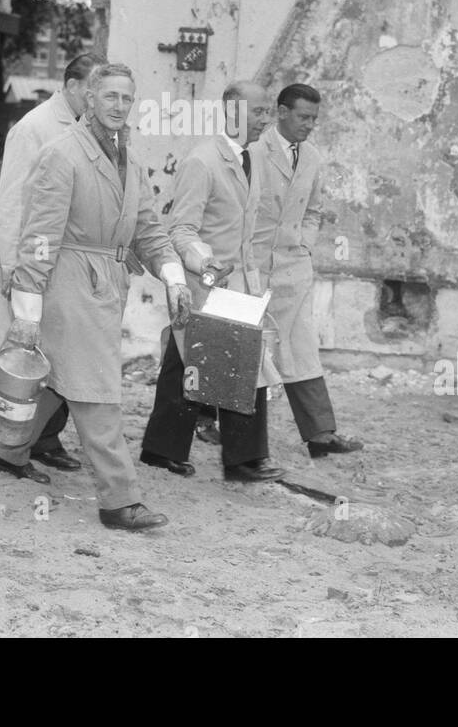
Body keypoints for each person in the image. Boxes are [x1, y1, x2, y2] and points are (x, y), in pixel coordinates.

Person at [0, 62, 192, 532]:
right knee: (97, 390)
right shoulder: (62, 154)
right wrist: (27, 312)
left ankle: (7, 450)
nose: (119, 106)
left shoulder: (131, 160)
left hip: (106, 281)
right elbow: (39, 238)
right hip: (67, 281)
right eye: (110, 97)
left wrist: (175, 278)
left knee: (60, 380)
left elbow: (149, 231)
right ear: (88, 100)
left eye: (127, 98)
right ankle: (119, 500)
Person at [0, 52, 102, 472]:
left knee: (58, 350)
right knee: (31, 351)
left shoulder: (88, 128)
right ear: (72, 86)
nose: (99, 98)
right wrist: (12, 264)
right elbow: (10, 201)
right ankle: (15, 443)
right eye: (93, 88)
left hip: (68, 261)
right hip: (34, 261)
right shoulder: (33, 128)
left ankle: (37, 433)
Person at [140, 82, 285, 482]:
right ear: (234, 112)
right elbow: (181, 229)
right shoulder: (202, 162)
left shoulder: (252, 158)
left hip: (238, 285)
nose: (266, 119)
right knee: (196, 366)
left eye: (267, 111)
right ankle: (222, 457)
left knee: (227, 362)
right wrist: (205, 263)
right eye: (258, 112)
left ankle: (219, 456)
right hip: (205, 282)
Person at [250, 84, 362, 457]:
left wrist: (304, 245)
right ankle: (223, 431)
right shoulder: (253, 151)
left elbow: (314, 209)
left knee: (301, 346)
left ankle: (320, 434)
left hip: (293, 267)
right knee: (247, 349)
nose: (309, 125)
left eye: (314, 118)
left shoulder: (311, 156)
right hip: (252, 266)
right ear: (281, 112)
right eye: (302, 117)